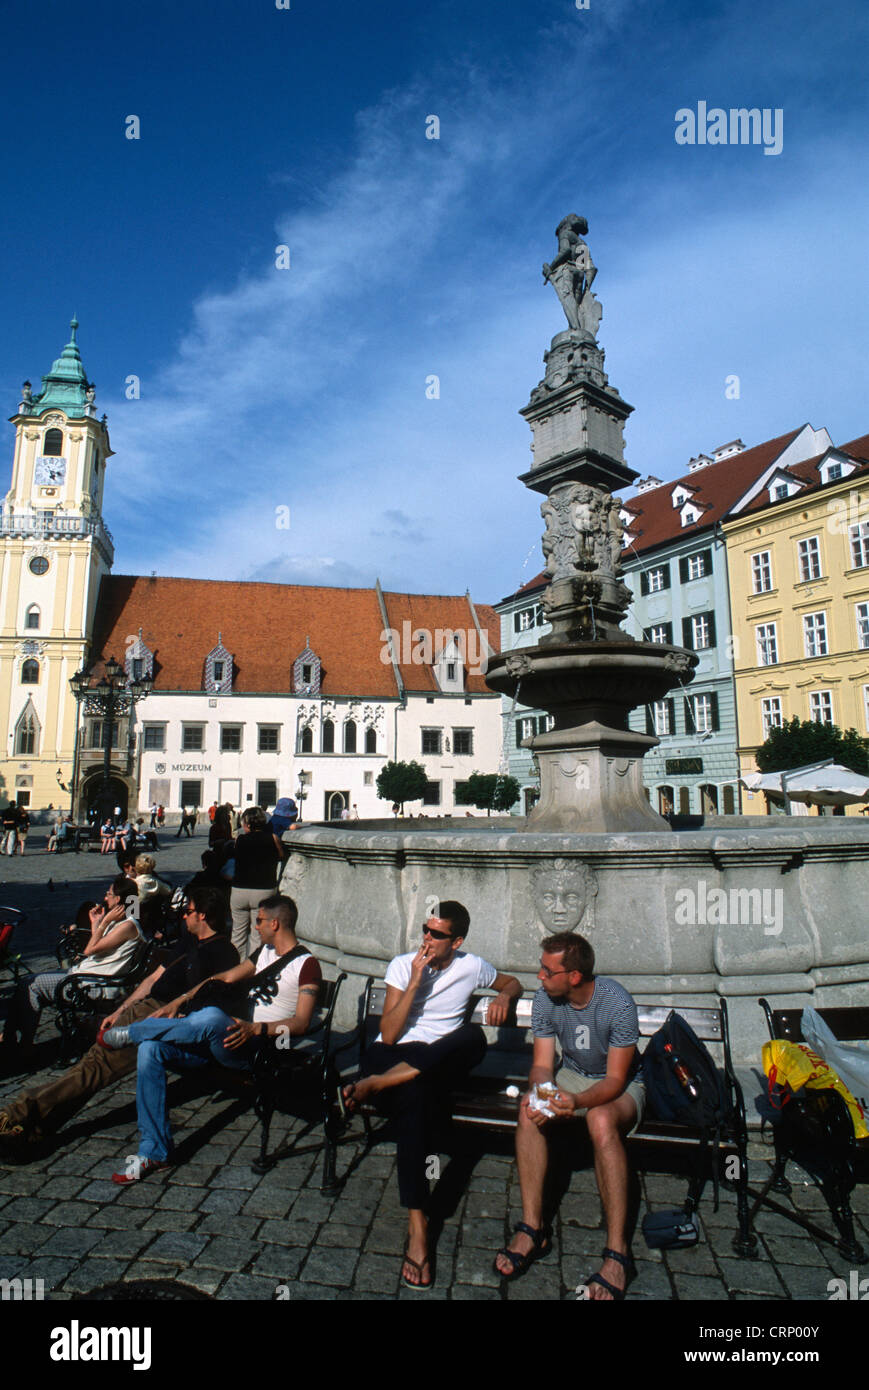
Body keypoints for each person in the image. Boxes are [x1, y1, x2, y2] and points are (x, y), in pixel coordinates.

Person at [342, 901, 522, 1289]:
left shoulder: (472, 966)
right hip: (393, 1056)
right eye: (425, 929)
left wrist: (504, 996)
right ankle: (419, 1228)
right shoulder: (402, 964)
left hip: (429, 1062)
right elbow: (388, 1034)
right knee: (418, 1097)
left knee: (471, 1037)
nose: (427, 938)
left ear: (456, 941)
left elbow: (511, 982)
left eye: (437, 934)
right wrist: (414, 982)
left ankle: (373, 1085)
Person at [0, 886, 238, 1157]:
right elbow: (151, 980)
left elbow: (207, 1005)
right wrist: (121, 1010)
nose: (183, 916)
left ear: (204, 915)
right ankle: (33, 1132)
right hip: (139, 1011)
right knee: (90, 1070)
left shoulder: (223, 953)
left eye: (188, 911)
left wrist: (162, 1016)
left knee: (93, 1072)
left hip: (157, 1020)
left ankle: (18, 1113)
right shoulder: (188, 940)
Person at [101, 893, 321, 1183]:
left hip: (261, 1048)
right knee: (151, 1050)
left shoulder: (306, 965)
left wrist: (255, 1029)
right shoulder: (264, 953)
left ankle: (132, 1033)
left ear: (276, 923)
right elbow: (223, 978)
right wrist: (180, 1000)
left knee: (214, 1017)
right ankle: (154, 1151)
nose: (255, 927)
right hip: (229, 1038)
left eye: (259, 921)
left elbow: (302, 1024)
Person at [493, 931, 645, 1300]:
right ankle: (532, 1229)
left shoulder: (616, 1003)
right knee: (530, 1108)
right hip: (573, 1074)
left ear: (573, 976)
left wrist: (575, 1102)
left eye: (547, 971)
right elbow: (543, 1066)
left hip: (622, 1084)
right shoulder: (546, 998)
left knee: (601, 1120)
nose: (539, 977)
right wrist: (546, 1096)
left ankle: (617, 1254)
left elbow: (614, 1080)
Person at [0, 876, 142, 1054]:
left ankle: (24, 1044)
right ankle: (10, 1036)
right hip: (86, 976)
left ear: (118, 899)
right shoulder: (123, 921)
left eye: (108, 894)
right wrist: (96, 923)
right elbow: (97, 948)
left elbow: (90, 950)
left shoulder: (127, 926)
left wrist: (103, 922)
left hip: (93, 984)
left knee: (31, 986)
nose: (105, 898)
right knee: (27, 982)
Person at [229, 806, 282, 958]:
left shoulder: (240, 839)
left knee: (237, 935)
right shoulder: (272, 838)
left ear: (248, 824)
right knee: (258, 936)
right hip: (263, 890)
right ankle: (253, 971)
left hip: (240, 890)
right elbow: (281, 855)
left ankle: (235, 970)